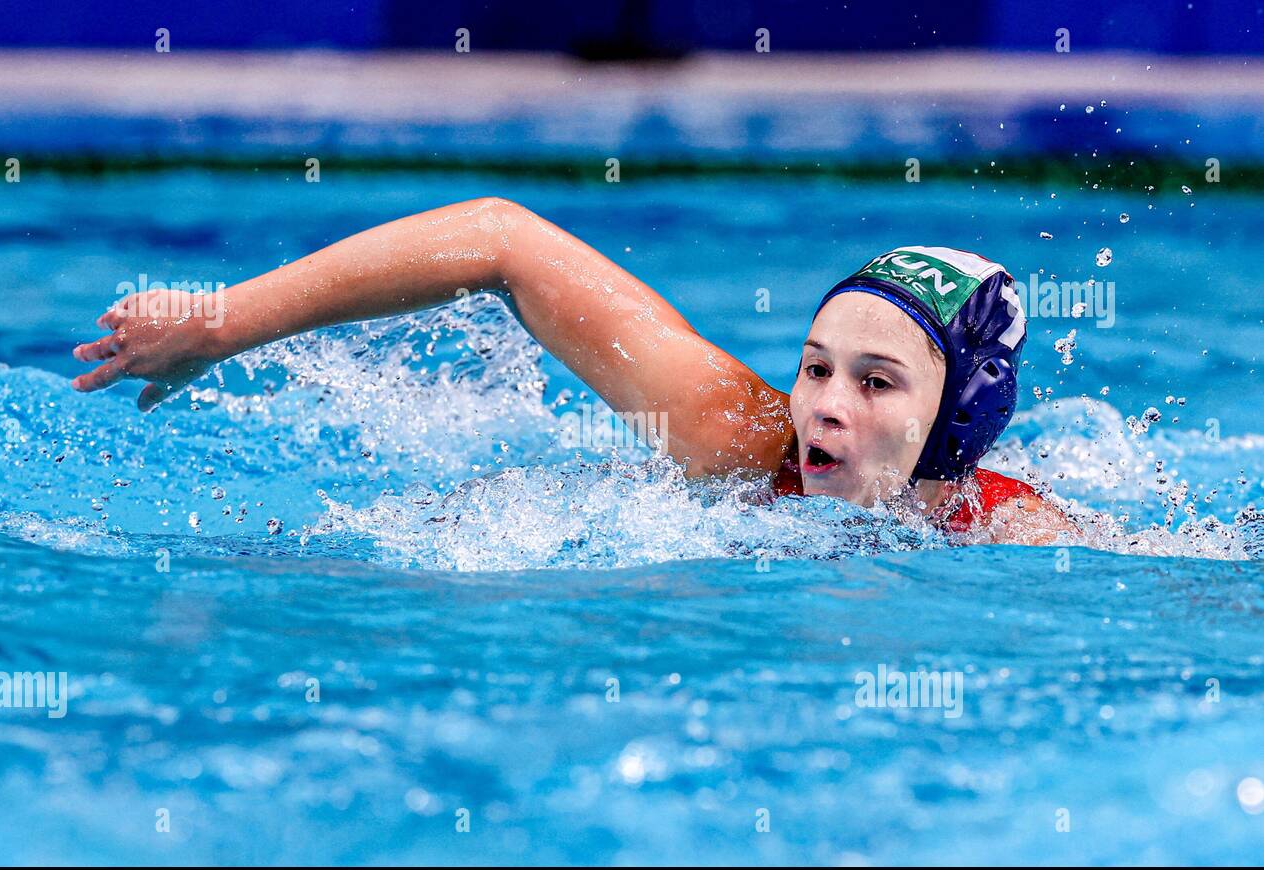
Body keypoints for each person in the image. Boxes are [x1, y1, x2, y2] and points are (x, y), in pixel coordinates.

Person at [70, 197, 1078, 545]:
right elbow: (500, 240)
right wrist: (220, 323)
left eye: (874, 381)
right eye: (814, 366)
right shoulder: (736, 433)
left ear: (957, 421)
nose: (821, 404)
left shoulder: (1014, 532)